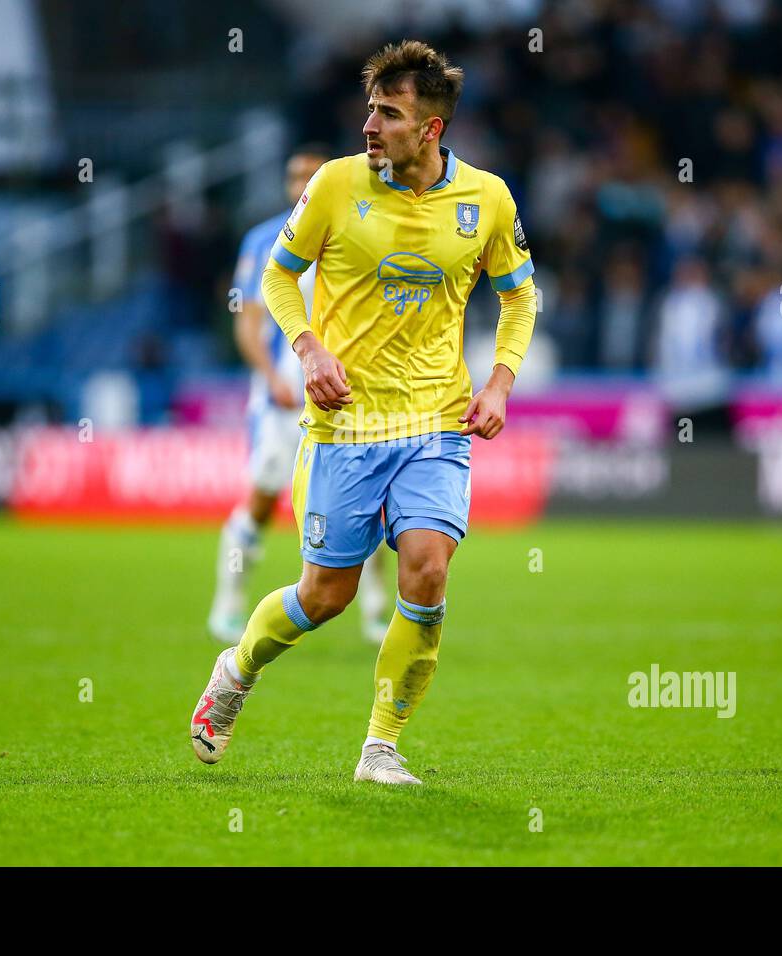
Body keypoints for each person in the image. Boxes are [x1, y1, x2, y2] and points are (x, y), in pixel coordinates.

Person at [190, 40, 537, 785]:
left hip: (437, 424)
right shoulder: (334, 186)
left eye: (389, 113)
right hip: (346, 426)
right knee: (326, 595)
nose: (371, 126)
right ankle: (238, 667)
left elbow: (519, 295)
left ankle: (381, 746)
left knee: (427, 571)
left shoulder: (488, 200)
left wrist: (501, 381)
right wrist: (310, 349)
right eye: (369, 110)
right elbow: (280, 278)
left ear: (431, 129)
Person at [207, 146, 392, 647]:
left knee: (363, 503)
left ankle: (376, 611)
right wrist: (271, 377)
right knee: (262, 499)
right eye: (293, 177)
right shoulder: (265, 240)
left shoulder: (360, 228)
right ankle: (228, 602)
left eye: (310, 176)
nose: (300, 185)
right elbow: (247, 324)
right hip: (282, 398)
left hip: (346, 396)